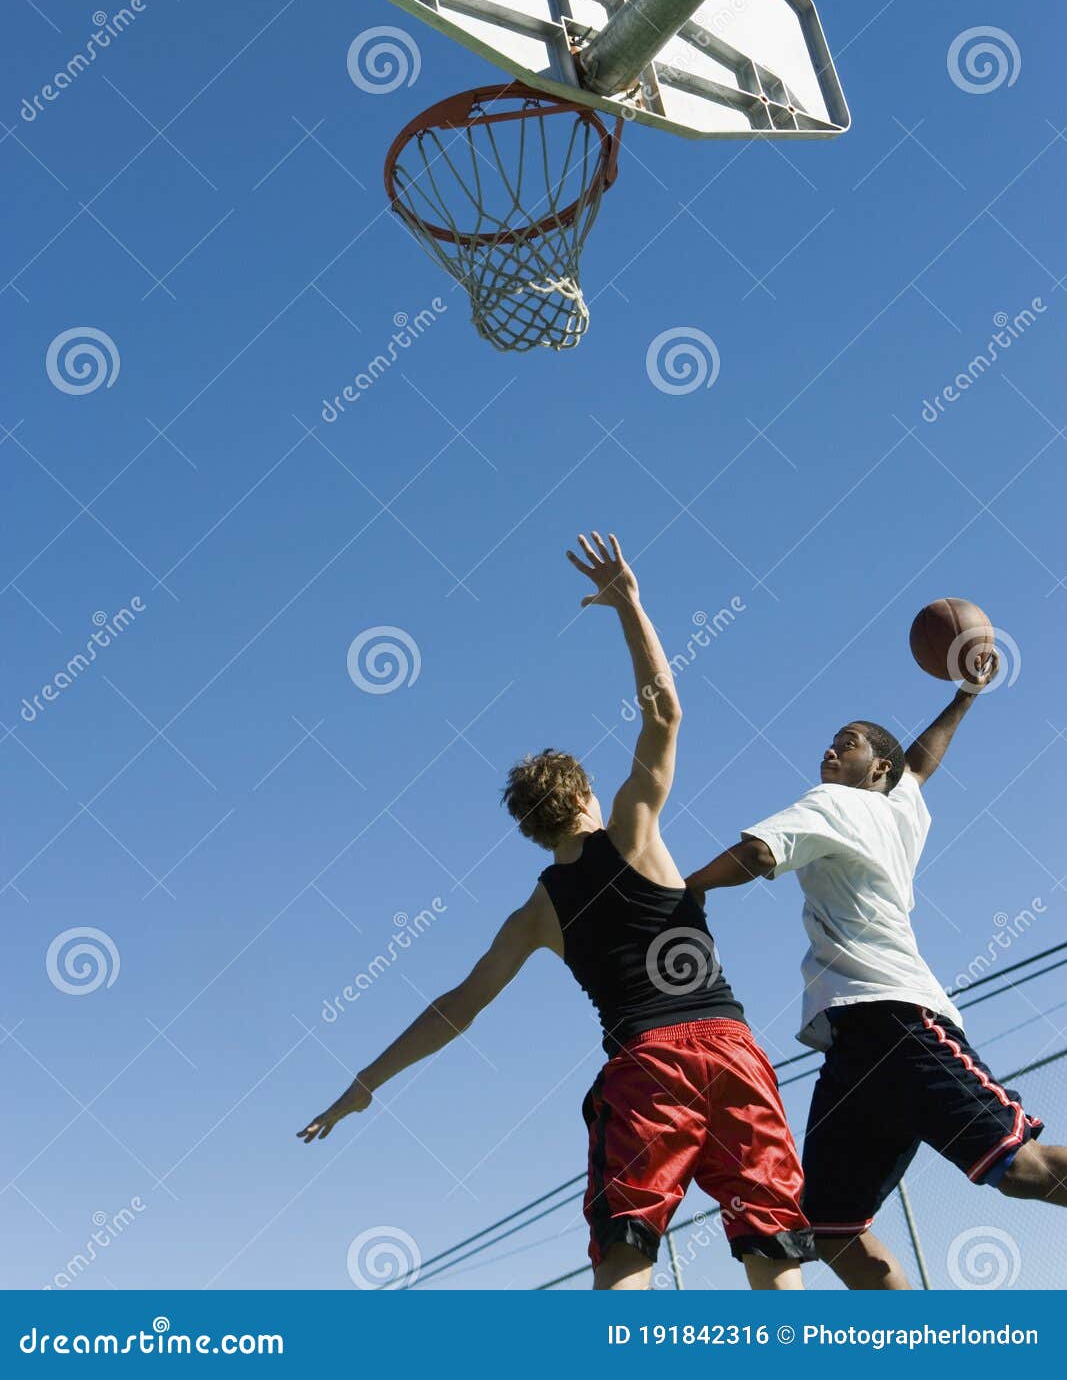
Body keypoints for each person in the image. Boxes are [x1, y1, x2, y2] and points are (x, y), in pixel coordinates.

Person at [299, 532, 813, 1290]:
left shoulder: (535, 913)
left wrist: (365, 1084)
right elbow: (664, 715)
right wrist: (630, 608)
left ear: (534, 826)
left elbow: (455, 1009)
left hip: (648, 1065)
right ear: (581, 798)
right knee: (770, 1247)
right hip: (732, 1047)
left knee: (627, 1250)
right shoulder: (633, 830)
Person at [687, 664, 1067, 1289]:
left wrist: (687, 888)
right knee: (830, 1227)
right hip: (855, 1046)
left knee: (1021, 1169)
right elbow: (921, 763)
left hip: (896, 1018)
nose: (831, 749)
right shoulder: (900, 811)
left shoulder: (835, 802)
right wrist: (964, 697)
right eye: (833, 740)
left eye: (849, 741)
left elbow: (759, 854)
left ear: (877, 770)